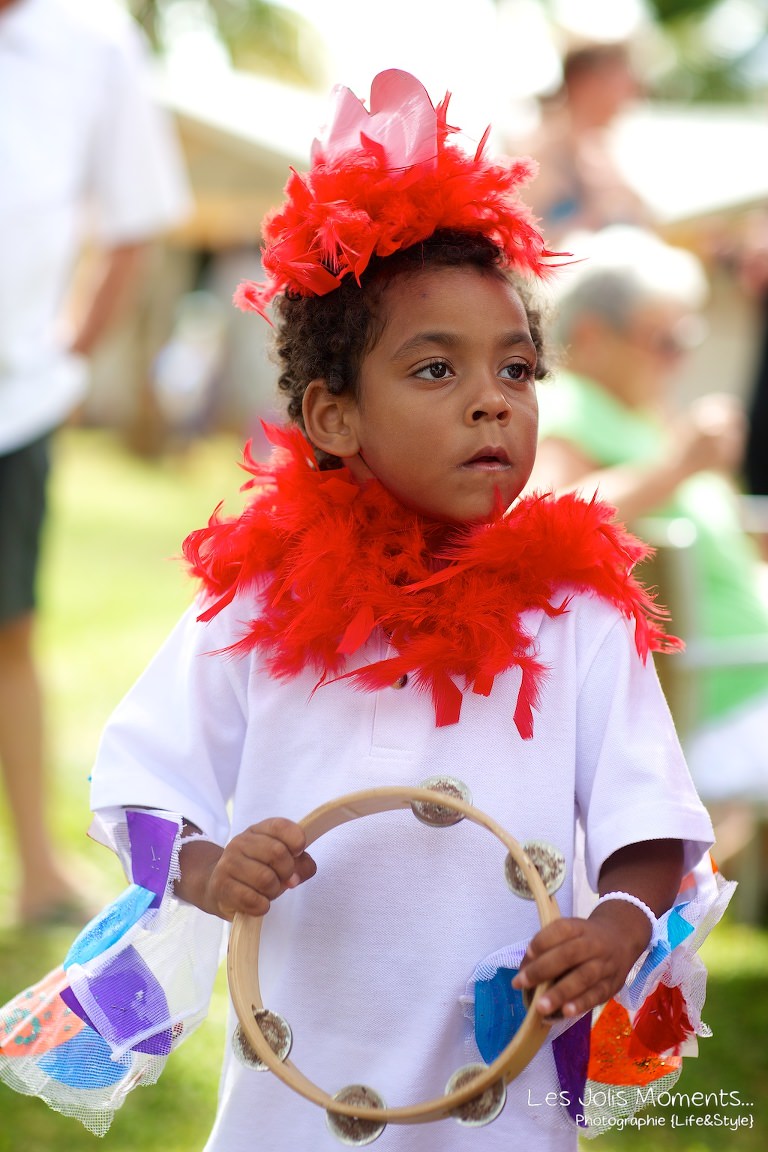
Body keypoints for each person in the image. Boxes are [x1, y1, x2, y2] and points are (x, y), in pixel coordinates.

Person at [0, 70, 730, 1150]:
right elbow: (143, 778)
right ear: (333, 417)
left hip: (499, 1078)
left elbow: (650, 817)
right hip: (303, 1082)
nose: (493, 398)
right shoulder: (259, 602)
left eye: (518, 370)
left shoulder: (579, 613)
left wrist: (619, 922)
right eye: (435, 369)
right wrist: (207, 866)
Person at [0, 0, 190, 925]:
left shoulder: (94, 38)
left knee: (10, 626)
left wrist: (71, 359)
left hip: (16, 398)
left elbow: (138, 215)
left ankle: (38, 867)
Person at [529, 225, 768, 805]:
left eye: (688, 338)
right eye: (665, 340)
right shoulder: (569, 408)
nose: (681, 358)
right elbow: (541, 519)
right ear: (590, 337)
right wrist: (681, 464)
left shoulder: (637, 414)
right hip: (716, 697)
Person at [511, 40, 654, 248]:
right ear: (586, 82)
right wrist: (595, 217)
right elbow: (516, 246)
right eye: (621, 82)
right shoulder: (533, 154)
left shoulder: (601, 156)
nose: (632, 94)